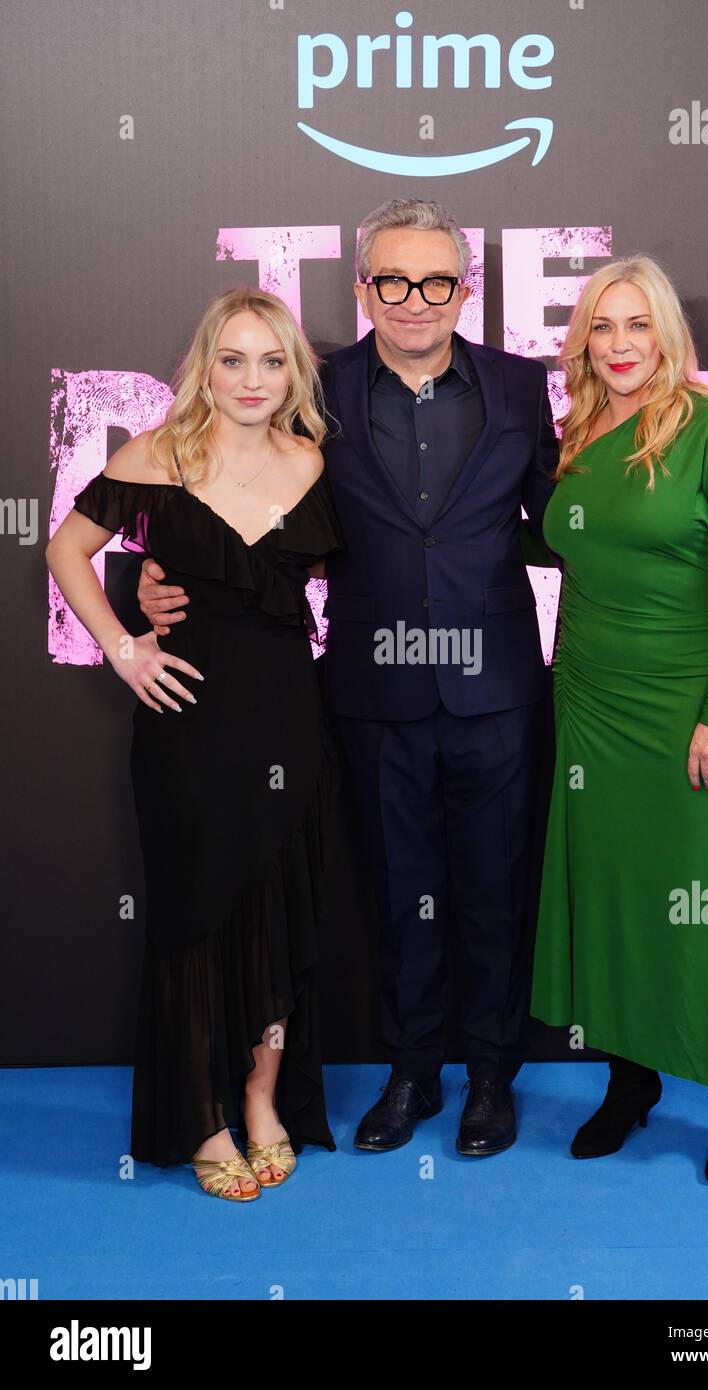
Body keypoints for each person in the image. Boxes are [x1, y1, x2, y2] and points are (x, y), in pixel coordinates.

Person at [138, 198, 560, 1157]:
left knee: (494, 888)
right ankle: (414, 1071)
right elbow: (218, 486)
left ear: (467, 287)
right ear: (364, 286)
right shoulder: (310, 386)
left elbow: (560, 519)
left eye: (436, 281)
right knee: (397, 886)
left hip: (495, 687)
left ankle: (492, 1075)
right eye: (393, 281)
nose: (415, 301)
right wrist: (148, 573)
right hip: (371, 692)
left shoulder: (521, 387)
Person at [46, 287, 345, 1200]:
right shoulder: (157, 456)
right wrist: (125, 642)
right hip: (187, 725)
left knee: (276, 910)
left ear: (292, 373)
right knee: (195, 916)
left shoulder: (313, 462)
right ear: (204, 369)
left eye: (271, 361)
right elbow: (64, 550)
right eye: (233, 360)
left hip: (290, 719)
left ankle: (262, 1103)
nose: (253, 379)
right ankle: (205, 1119)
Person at [530, 255, 708, 1183]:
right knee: (616, 898)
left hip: (687, 706)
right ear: (584, 339)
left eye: (639, 325)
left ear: (667, 334)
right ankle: (630, 1084)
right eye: (604, 326)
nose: (622, 344)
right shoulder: (581, 430)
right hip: (590, 700)